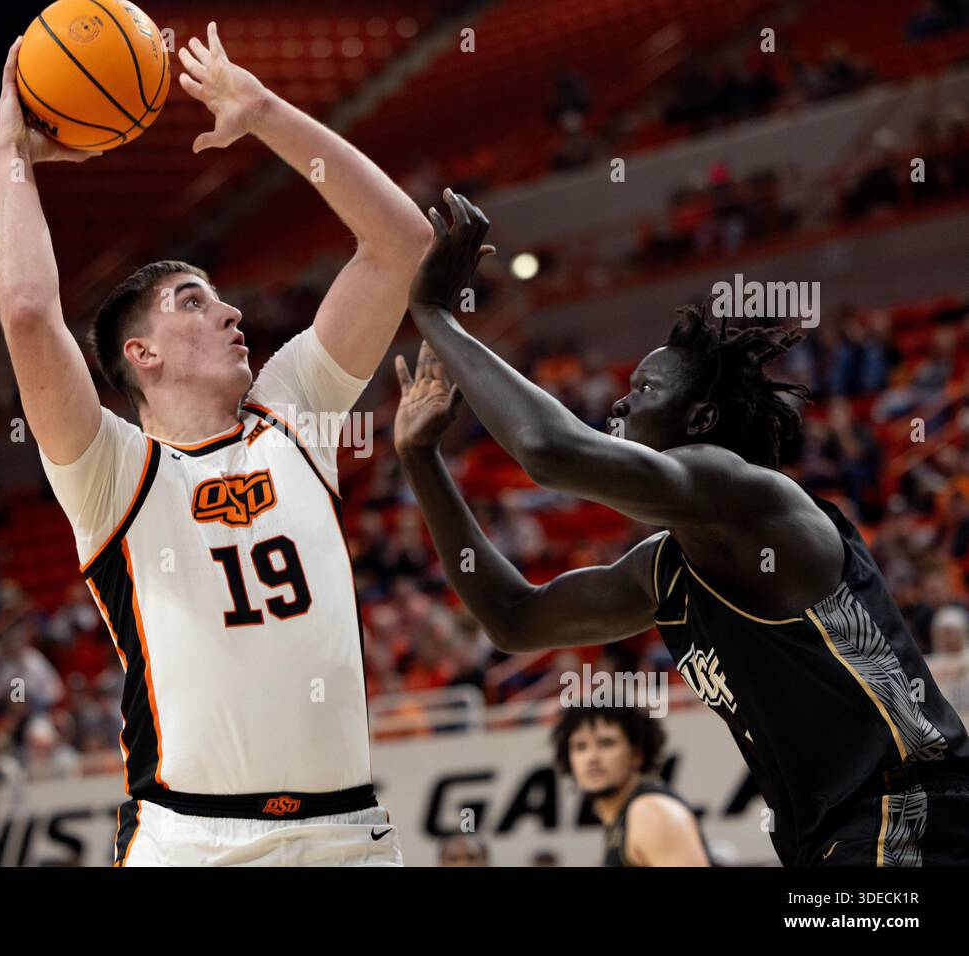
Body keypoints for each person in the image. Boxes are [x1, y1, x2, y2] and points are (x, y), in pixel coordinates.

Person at [393, 190, 969, 867]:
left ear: (698, 423)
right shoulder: (664, 568)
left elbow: (550, 451)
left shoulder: (748, 495)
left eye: (644, 391)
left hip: (913, 812)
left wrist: (435, 314)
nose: (618, 399)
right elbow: (514, 619)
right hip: (832, 839)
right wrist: (419, 458)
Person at [0, 23, 432, 867]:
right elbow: (26, 311)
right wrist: (13, 149)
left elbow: (401, 246)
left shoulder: (293, 411)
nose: (230, 313)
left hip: (350, 837)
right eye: (193, 302)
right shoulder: (111, 472)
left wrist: (263, 112)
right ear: (140, 355)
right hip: (190, 839)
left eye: (219, 298)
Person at [552, 706, 709, 866]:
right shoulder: (622, 817)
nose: (592, 757)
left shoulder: (650, 813)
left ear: (636, 754)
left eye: (606, 743)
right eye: (580, 747)